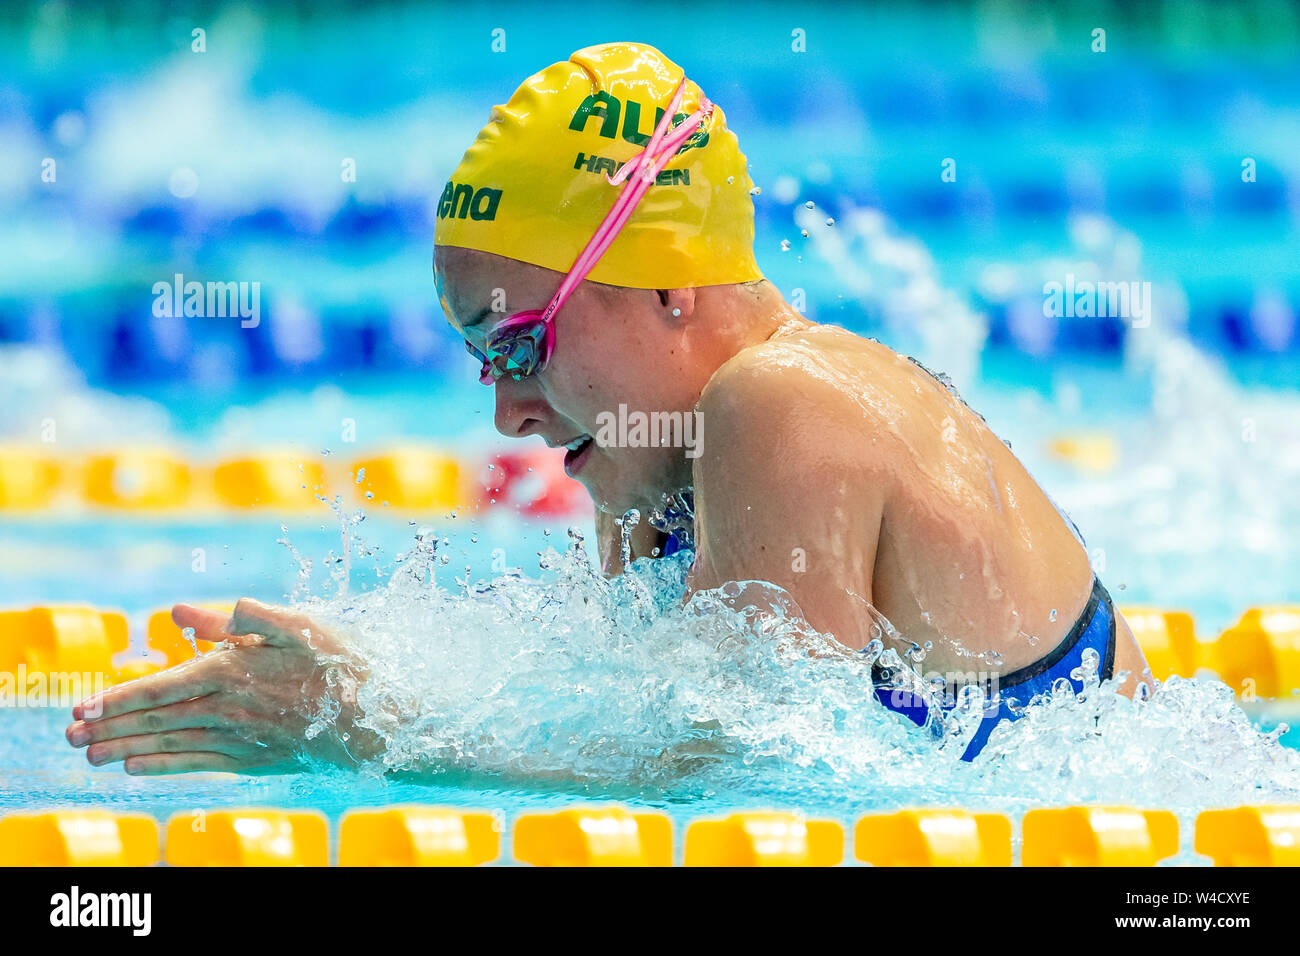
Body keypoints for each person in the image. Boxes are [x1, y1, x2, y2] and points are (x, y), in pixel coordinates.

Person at [66, 42, 1152, 775]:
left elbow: (756, 776)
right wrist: (362, 675)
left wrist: (368, 732)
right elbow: (651, 727)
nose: (508, 415)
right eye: (479, 360)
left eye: (519, 343)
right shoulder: (657, 462)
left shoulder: (781, 400)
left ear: (670, 286)